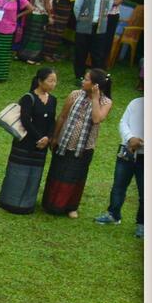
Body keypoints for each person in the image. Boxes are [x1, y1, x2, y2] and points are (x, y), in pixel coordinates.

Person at [41, 69, 113, 218]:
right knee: (57, 172)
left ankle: (70, 207)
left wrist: (94, 98)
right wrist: (55, 137)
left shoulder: (105, 102)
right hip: (64, 141)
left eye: (86, 79)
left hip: (84, 148)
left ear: (95, 85)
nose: (83, 81)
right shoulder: (74, 94)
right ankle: (50, 203)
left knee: (76, 176)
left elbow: (97, 119)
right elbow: (62, 116)